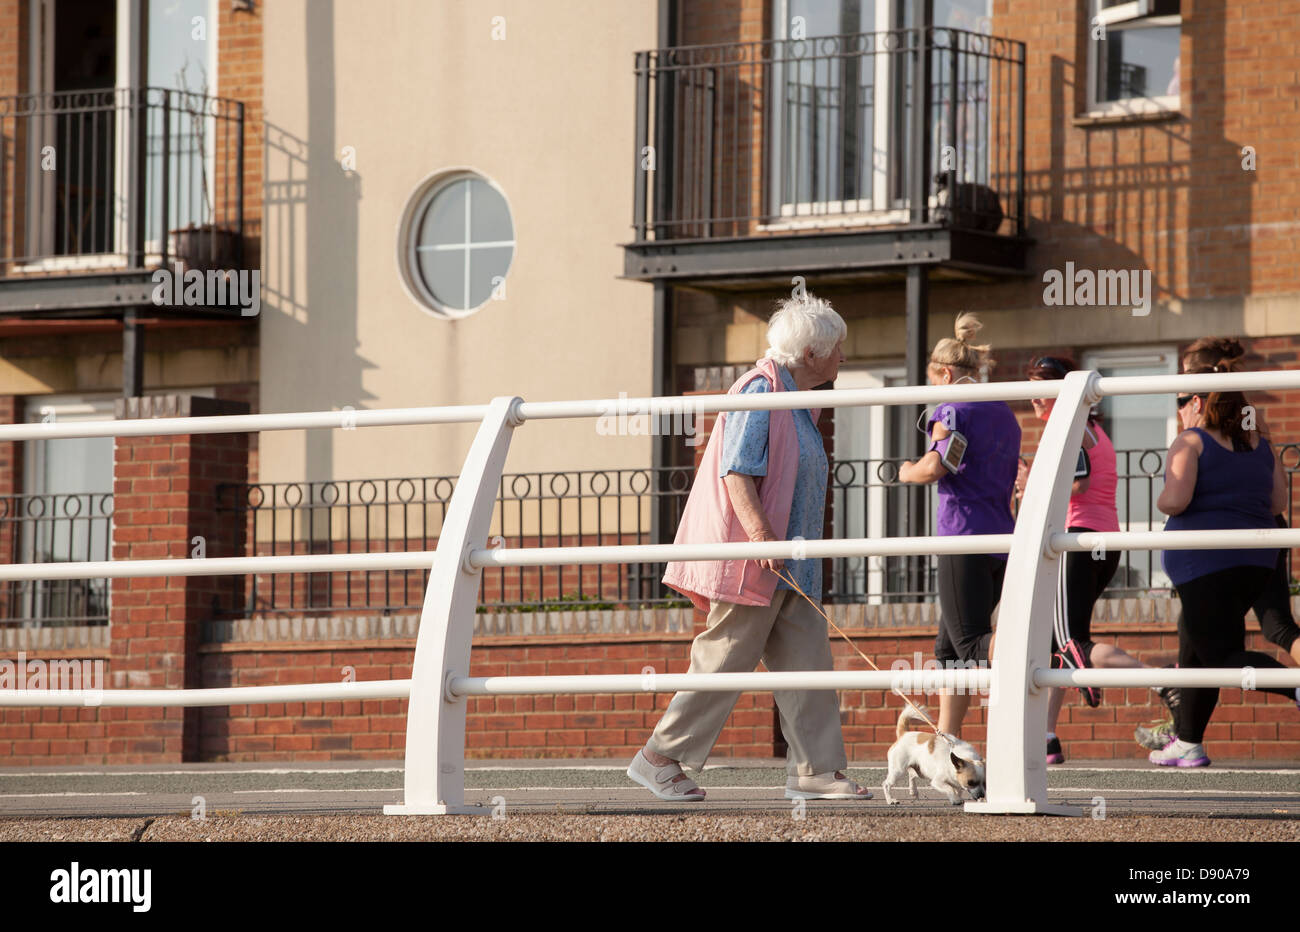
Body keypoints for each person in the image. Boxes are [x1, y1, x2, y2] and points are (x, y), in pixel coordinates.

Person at [627, 293, 871, 801]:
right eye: (838, 349)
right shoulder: (758, 390)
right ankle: (658, 758)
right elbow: (736, 470)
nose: (843, 358)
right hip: (754, 560)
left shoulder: (798, 400)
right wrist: (762, 536)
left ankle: (815, 770)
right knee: (724, 659)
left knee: (808, 663)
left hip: (792, 563)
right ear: (811, 354)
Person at [1136, 337, 1300, 751]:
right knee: (1193, 645)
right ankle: (1188, 743)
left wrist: (1161, 496)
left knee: (1218, 658)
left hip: (1207, 567)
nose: (1177, 410)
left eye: (1180, 401)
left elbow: (1175, 500)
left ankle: (1296, 688)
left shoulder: (1191, 442)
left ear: (1197, 401)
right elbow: (1279, 502)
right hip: (1256, 563)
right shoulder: (1259, 445)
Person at [1014, 356, 1172, 764]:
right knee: (1055, 643)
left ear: (1060, 389)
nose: (1034, 397)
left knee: (1070, 642)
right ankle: (1047, 737)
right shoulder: (1094, 426)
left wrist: (1030, 486)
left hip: (1080, 542)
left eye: (1041, 387)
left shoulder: (1070, 424)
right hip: (1102, 542)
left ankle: (1164, 683)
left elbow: (1078, 480)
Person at [898, 313, 1019, 738]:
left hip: (962, 536)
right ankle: (949, 745)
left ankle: (1035, 646)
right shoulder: (1004, 410)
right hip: (1000, 538)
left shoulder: (950, 408)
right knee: (951, 651)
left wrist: (905, 469)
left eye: (932, 380)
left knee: (969, 644)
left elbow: (933, 469)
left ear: (945, 373)